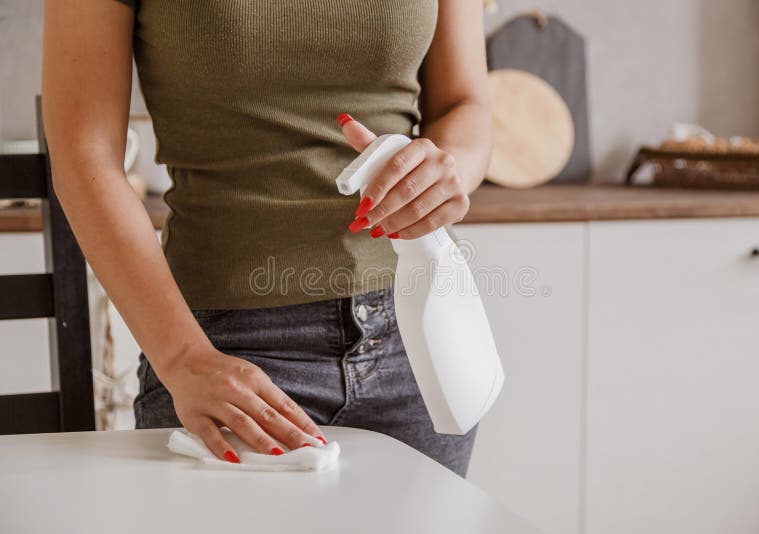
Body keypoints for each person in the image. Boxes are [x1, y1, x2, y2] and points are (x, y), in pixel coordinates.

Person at [41, 0, 492, 477]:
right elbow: (83, 153)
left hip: (422, 337)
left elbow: (465, 103)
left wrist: (450, 168)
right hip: (225, 352)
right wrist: (182, 357)